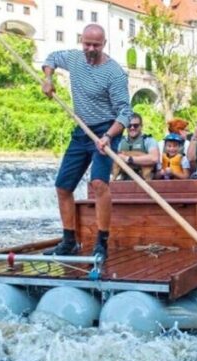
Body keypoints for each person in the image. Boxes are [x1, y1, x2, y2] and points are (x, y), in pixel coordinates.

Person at [41, 24, 133, 260]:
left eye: (96, 45)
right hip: (82, 130)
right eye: (87, 44)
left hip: (107, 128)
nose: (90, 49)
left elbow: (124, 112)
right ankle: (69, 241)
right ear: (82, 41)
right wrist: (48, 78)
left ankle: (102, 242)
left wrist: (108, 137)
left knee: (99, 184)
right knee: (63, 186)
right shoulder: (74, 59)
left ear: (104, 44)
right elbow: (50, 58)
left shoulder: (114, 73)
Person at [112, 113, 159, 180]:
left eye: (136, 125)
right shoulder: (120, 142)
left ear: (141, 126)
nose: (132, 128)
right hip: (124, 180)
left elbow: (154, 158)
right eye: (129, 125)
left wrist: (128, 159)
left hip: (145, 180)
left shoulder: (148, 140)